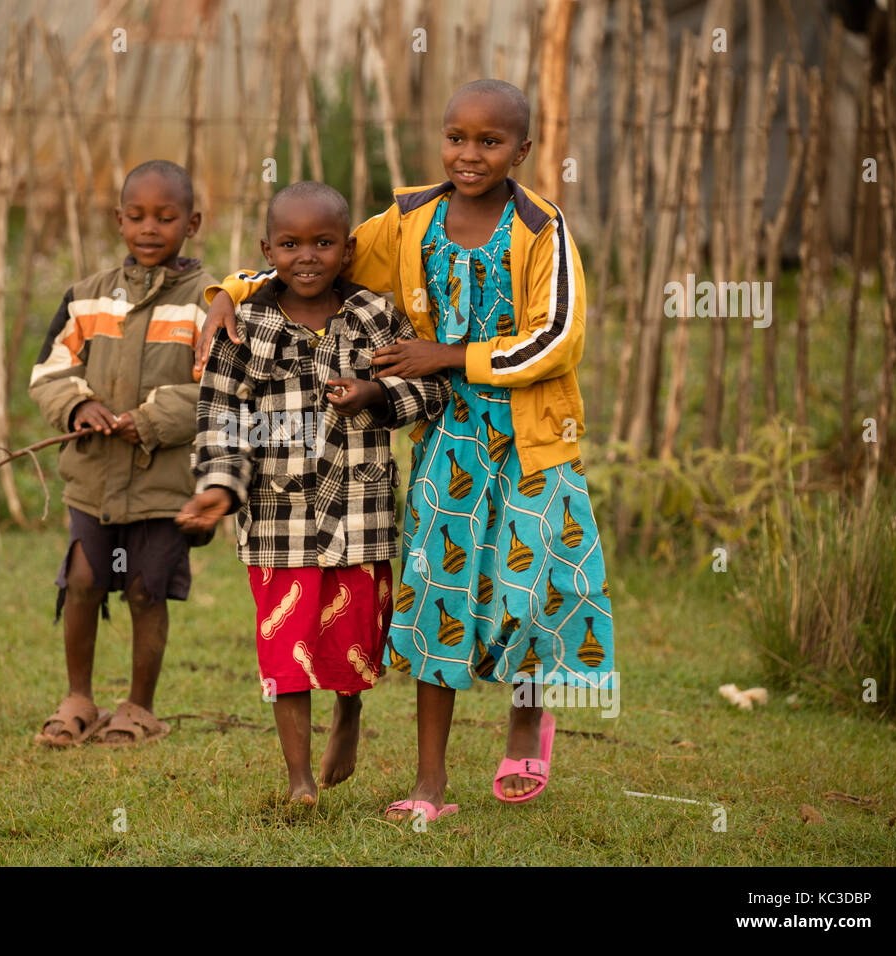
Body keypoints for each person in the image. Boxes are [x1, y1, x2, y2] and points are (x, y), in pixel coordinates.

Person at [196, 81, 615, 819]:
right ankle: (431, 782)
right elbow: (324, 252)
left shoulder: (542, 229)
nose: (470, 154)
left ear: (522, 150)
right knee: (437, 598)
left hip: (533, 438)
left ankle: (525, 716)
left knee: (531, 594)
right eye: (457, 137)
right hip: (446, 438)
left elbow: (559, 340)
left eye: (490, 142)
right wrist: (230, 289)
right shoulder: (412, 219)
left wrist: (448, 356)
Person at [177, 181, 449, 804]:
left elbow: (431, 392)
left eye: (324, 243)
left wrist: (376, 394)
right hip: (279, 520)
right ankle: (299, 780)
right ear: (265, 249)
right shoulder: (243, 327)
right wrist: (219, 489)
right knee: (284, 652)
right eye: (291, 243)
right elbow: (222, 417)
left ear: (348, 250)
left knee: (354, 639)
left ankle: (348, 713)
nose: (307, 256)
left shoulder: (376, 317)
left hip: (361, 515)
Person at [29, 160, 214, 747]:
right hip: (93, 478)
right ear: (118, 220)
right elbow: (50, 371)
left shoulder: (208, 302)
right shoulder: (85, 298)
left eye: (166, 217)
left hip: (163, 482)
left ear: (193, 222)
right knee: (82, 579)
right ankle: (78, 697)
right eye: (136, 216)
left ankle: (139, 707)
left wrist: (154, 419)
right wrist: (78, 407)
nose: (150, 228)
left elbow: (219, 388)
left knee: (144, 588)